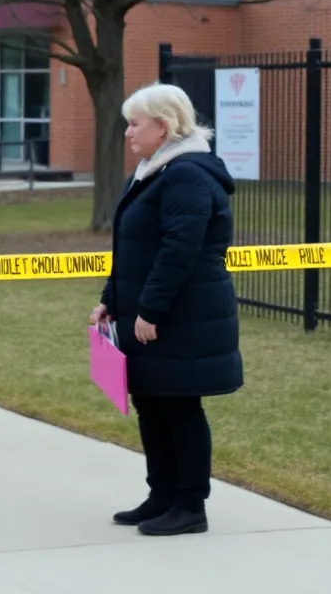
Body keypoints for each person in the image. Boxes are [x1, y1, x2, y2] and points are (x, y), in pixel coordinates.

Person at [90, 81, 243, 537]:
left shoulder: (187, 175)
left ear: (163, 126)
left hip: (181, 315)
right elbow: (132, 249)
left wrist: (151, 310)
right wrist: (111, 300)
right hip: (147, 310)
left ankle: (190, 506)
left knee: (179, 405)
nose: (128, 133)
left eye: (134, 124)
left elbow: (180, 250)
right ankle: (162, 496)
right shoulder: (152, 172)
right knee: (152, 401)